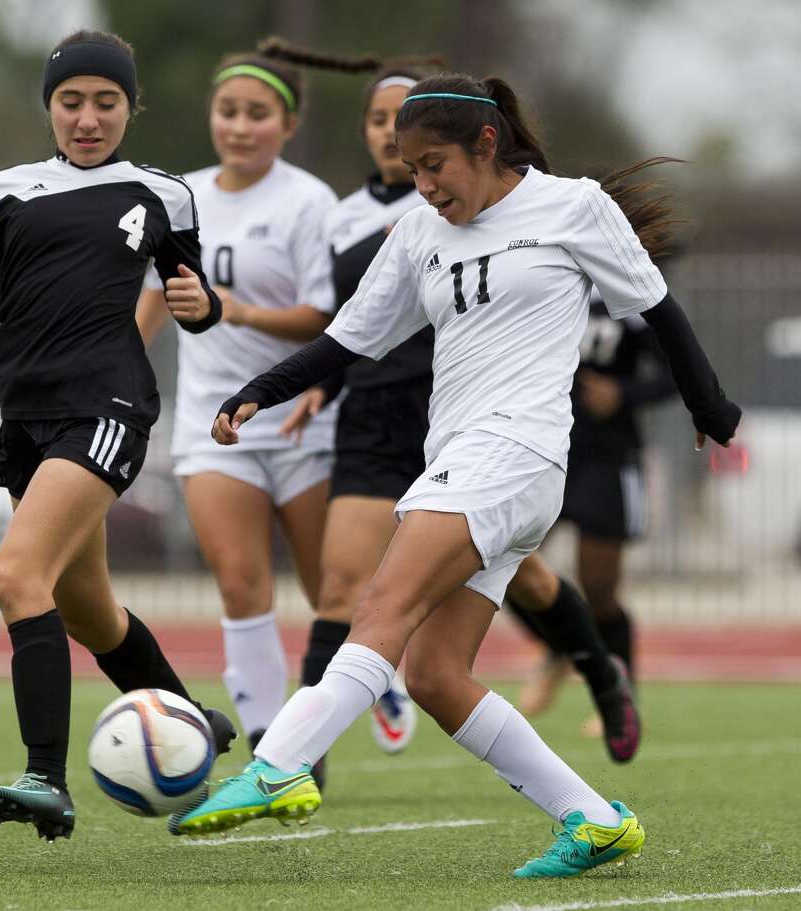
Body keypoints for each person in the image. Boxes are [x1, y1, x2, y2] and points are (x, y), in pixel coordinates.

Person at [171, 73, 741, 880]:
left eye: (435, 165)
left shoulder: (572, 206)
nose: (426, 185)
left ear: (485, 143)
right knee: (436, 675)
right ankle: (595, 818)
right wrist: (259, 390)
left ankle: (280, 762)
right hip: (465, 460)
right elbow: (347, 342)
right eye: (412, 170)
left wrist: (712, 410)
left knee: (381, 606)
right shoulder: (418, 234)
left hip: (517, 453)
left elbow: (659, 311)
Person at [262, 40, 639, 769]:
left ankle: (600, 674)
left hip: (469, 417)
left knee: (523, 579)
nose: (383, 132)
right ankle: (299, 764)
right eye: (375, 120)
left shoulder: (477, 194)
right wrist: (316, 384)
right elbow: (351, 325)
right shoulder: (343, 219)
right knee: (346, 585)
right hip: (376, 414)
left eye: (395, 119)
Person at [0, 29, 235, 843]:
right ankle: (197, 723)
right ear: (49, 107)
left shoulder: (162, 192)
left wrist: (204, 307)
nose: (89, 118)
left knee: (18, 575)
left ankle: (44, 775)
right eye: (72, 101)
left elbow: (194, 293)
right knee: (87, 610)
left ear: (131, 107)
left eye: (106, 102)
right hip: (28, 424)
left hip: (109, 407)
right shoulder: (4, 192)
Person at [135, 51, 342, 755]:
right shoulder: (177, 196)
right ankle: (273, 749)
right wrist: (115, 372)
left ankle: (376, 685)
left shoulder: (310, 201)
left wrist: (236, 311)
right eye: (229, 111)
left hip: (301, 422)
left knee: (333, 592)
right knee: (241, 581)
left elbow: (325, 316)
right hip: (212, 425)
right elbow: (153, 303)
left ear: (288, 122)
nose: (241, 126)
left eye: (258, 114)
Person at [510, 284, 678, 729]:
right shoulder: (538, 278)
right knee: (502, 561)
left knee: (599, 588)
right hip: (542, 450)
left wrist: (621, 393)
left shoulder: (631, 295)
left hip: (608, 458)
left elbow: (673, 372)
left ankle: (618, 695)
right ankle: (560, 647)